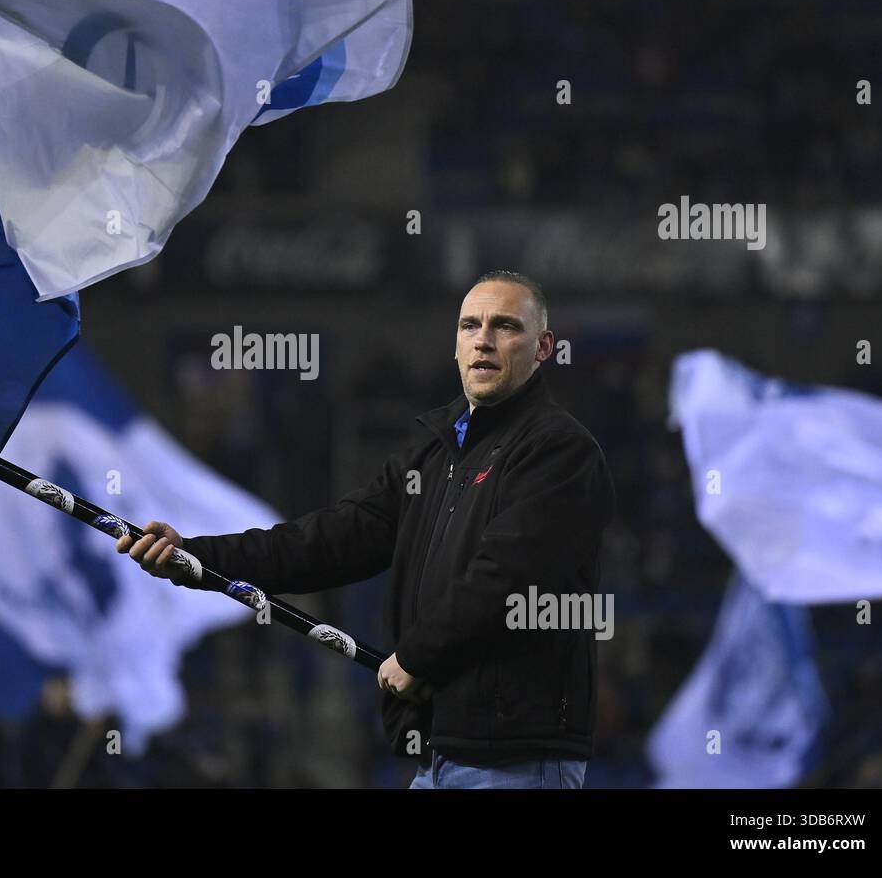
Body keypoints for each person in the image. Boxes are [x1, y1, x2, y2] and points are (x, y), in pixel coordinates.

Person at [117, 270, 614, 788]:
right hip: (441, 753)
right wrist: (196, 559)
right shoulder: (434, 450)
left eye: (505, 325)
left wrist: (417, 656)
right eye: (470, 325)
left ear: (544, 347)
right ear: (456, 345)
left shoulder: (560, 452)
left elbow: (507, 578)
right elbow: (331, 540)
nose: (483, 339)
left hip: (515, 760)